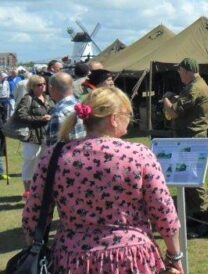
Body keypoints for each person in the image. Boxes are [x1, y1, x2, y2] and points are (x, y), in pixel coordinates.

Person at [22, 87, 183, 273]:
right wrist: (174, 255)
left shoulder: (55, 156)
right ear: (114, 118)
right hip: (131, 258)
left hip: (71, 260)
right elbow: (163, 211)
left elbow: (32, 217)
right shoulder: (139, 155)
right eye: (128, 114)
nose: (130, 119)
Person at [162, 58, 208, 238]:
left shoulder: (194, 88)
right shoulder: (197, 85)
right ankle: (199, 216)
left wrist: (166, 100)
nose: (179, 74)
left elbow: (173, 112)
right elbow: (187, 104)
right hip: (191, 138)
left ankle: (205, 221)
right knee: (190, 179)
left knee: (195, 179)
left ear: (188, 70)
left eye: (180, 71)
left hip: (192, 139)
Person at [14, 75, 54, 194]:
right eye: (39, 85)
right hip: (32, 136)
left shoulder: (48, 98)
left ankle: (40, 191)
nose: (43, 87)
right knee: (30, 164)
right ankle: (28, 194)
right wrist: (40, 118)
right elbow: (20, 116)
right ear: (32, 86)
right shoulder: (28, 98)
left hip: (47, 136)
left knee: (44, 164)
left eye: (44, 84)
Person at [45, 72, 85, 146]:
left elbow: (54, 148)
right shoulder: (81, 105)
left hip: (66, 156)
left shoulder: (59, 113)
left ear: (51, 88)